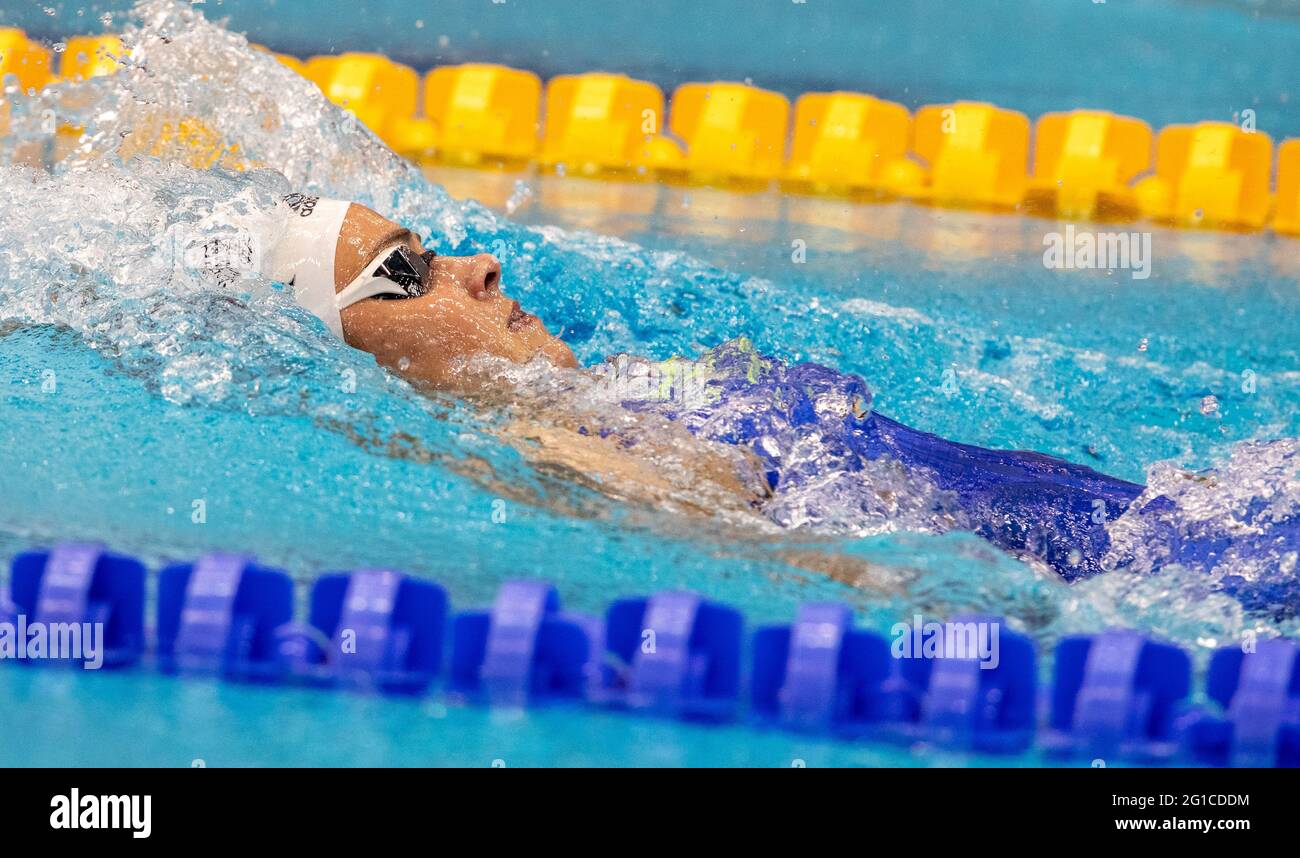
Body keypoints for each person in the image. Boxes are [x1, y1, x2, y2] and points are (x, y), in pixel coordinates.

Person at [246, 193, 1291, 598]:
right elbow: (804, 561)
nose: (475, 265)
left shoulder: (601, 395)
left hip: (1182, 514)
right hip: (1186, 569)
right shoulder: (549, 451)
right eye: (403, 273)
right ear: (345, 354)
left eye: (430, 248)